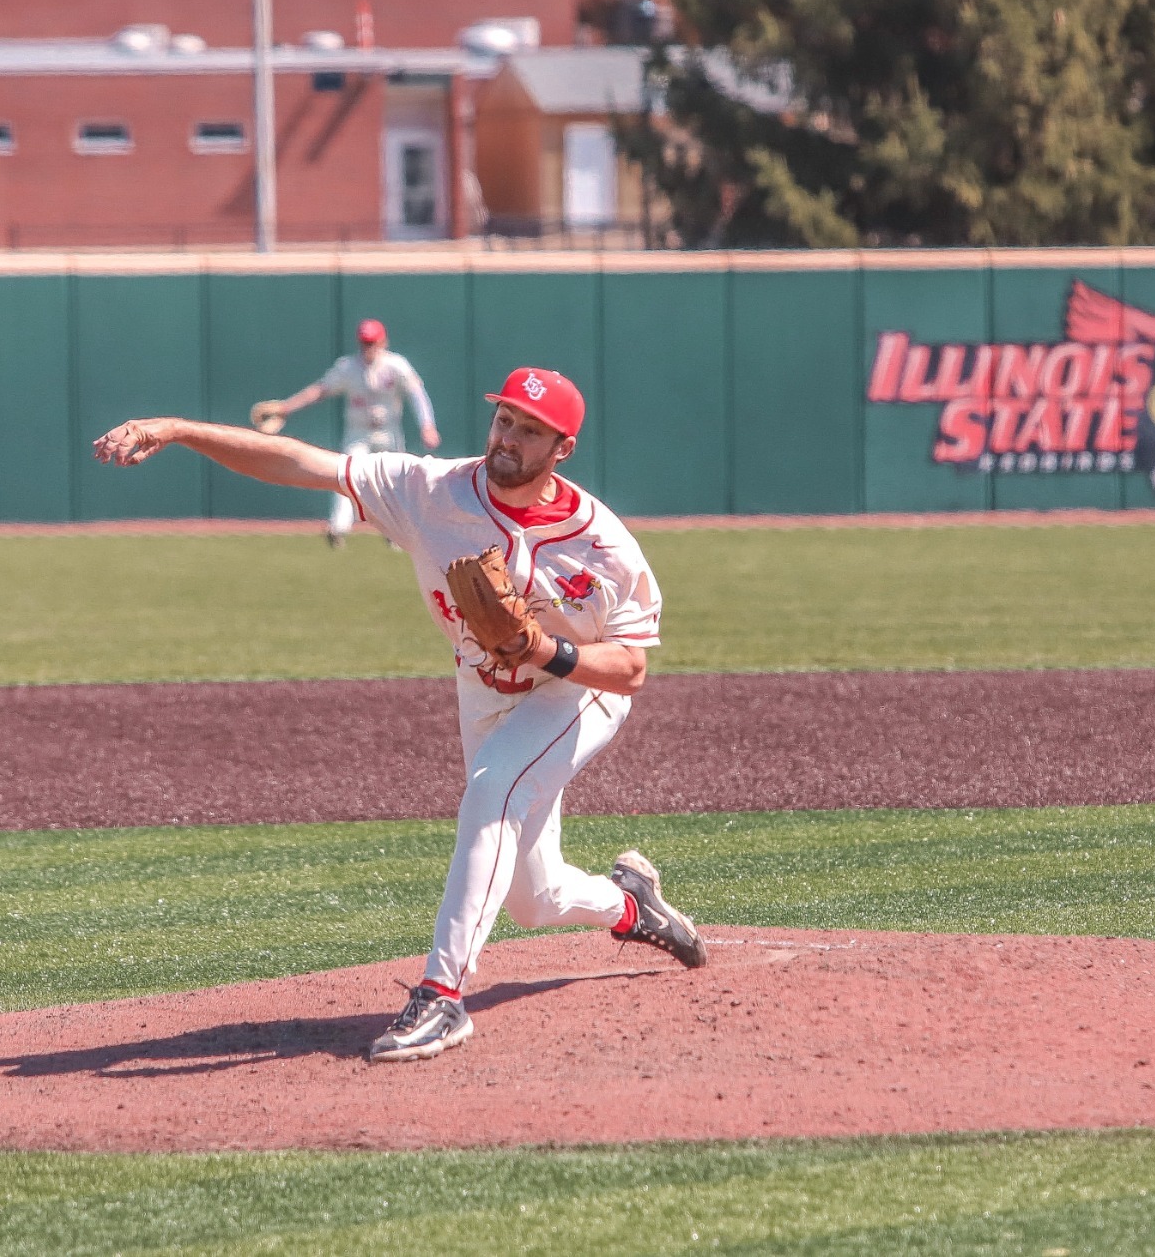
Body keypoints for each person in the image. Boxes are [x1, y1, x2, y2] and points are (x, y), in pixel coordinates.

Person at [94, 366, 706, 1062]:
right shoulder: (427, 489)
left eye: (530, 431)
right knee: (534, 898)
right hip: (483, 689)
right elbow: (300, 462)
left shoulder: (606, 546)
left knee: (493, 791)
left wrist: (543, 649)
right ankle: (633, 904)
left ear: (561, 448)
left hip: (575, 690)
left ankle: (443, 996)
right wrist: (177, 429)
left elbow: (631, 670)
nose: (509, 437)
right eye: (505, 419)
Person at [251, 318, 439, 548]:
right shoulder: (348, 367)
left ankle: (395, 534)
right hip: (358, 432)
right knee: (345, 476)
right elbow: (320, 390)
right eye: (364, 342)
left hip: (388, 431)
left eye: (372, 342)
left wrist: (427, 424)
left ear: (383, 341)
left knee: (394, 482)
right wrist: (287, 407)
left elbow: (416, 394)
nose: (368, 347)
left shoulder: (396, 365)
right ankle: (338, 529)